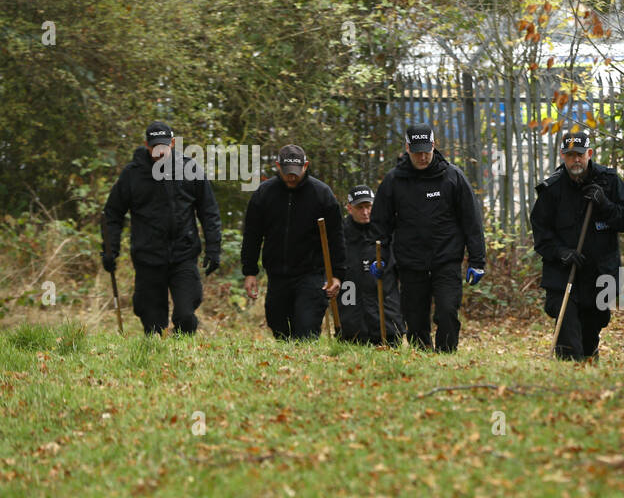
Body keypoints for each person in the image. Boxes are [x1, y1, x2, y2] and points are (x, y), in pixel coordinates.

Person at [370, 123, 485, 352]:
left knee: (447, 311)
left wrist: (477, 261)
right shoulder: (394, 181)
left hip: (446, 260)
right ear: (407, 148)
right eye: (417, 152)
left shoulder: (453, 177)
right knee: (414, 318)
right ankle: (421, 357)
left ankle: (446, 356)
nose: (422, 157)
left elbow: (472, 221)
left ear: (434, 146)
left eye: (426, 151)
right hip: (410, 262)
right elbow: (380, 224)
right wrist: (379, 256)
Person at [100, 122, 221, 335]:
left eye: (163, 147)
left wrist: (214, 248)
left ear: (172, 143)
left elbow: (209, 211)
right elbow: (112, 214)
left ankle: (183, 347)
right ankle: (156, 360)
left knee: (185, 314)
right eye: (154, 147)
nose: (159, 152)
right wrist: (111, 249)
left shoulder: (190, 169)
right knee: (153, 325)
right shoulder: (132, 174)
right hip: (148, 256)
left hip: (183, 254)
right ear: (146, 145)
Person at [530, 129, 624, 362]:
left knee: (591, 330)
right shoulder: (552, 189)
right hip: (563, 275)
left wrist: (605, 205)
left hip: (599, 273)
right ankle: (570, 372)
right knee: (568, 331)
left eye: (580, 154)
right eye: (570, 155)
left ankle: (588, 361)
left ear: (589, 153)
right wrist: (561, 253)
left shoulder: (608, 181)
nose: (576, 160)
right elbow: (541, 234)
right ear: (563, 156)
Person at [239, 144, 343, 340]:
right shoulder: (264, 194)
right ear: (278, 166)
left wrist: (337, 275)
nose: (292, 176)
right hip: (277, 274)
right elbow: (252, 235)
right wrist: (250, 271)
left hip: (311, 273)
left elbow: (337, 237)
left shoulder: (322, 194)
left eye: (297, 171)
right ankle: (287, 365)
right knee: (278, 325)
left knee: (306, 328)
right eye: (287, 172)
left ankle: (306, 364)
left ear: (306, 166)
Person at [339, 185, 404, 346]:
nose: (365, 212)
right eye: (359, 207)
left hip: (386, 318)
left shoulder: (387, 231)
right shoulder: (340, 235)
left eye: (368, 206)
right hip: (352, 321)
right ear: (349, 208)